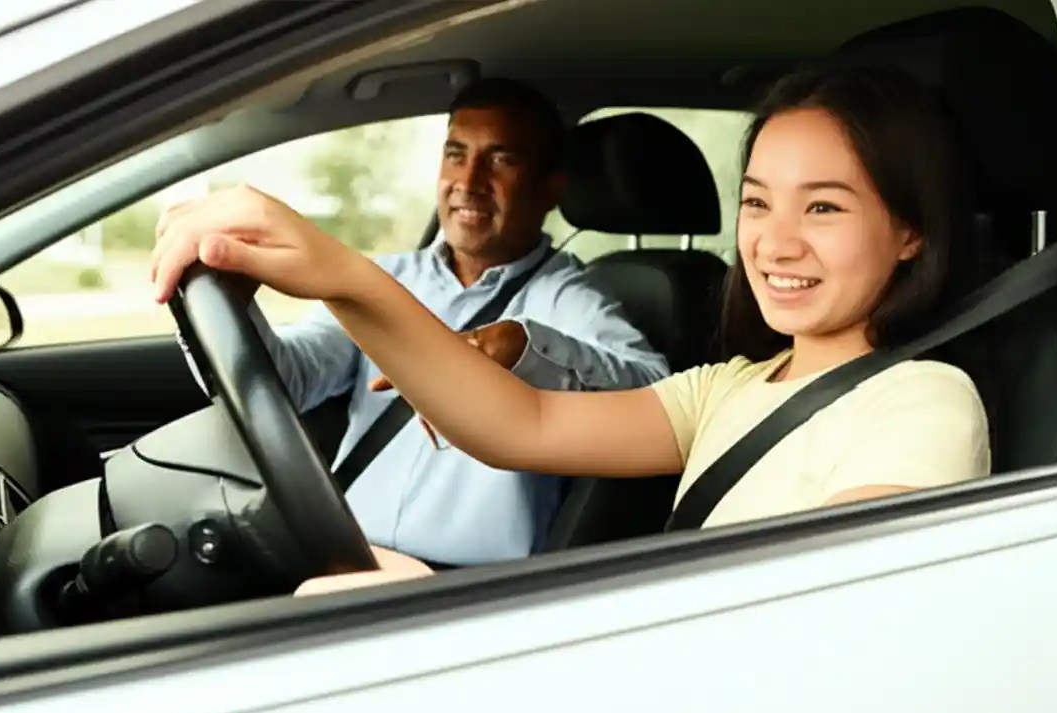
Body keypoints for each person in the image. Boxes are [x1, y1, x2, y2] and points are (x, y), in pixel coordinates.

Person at [150, 65, 991, 596]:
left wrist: (469, 620)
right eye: (759, 201)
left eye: (824, 207)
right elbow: (521, 424)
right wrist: (340, 275)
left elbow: (827, 625)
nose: (775, 242)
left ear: (911, 230)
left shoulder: (923, 402)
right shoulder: (727, 386)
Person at [161, 78, 670, 569]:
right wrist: (230, 298)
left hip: (464, 588)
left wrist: (522, 347)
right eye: (456, 154)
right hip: (343, 557)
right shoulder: (383, 280)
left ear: (548, 188)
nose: (469, 183)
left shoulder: (567, 296)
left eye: (501, 160)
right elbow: (289, 379)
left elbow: (658, 394)